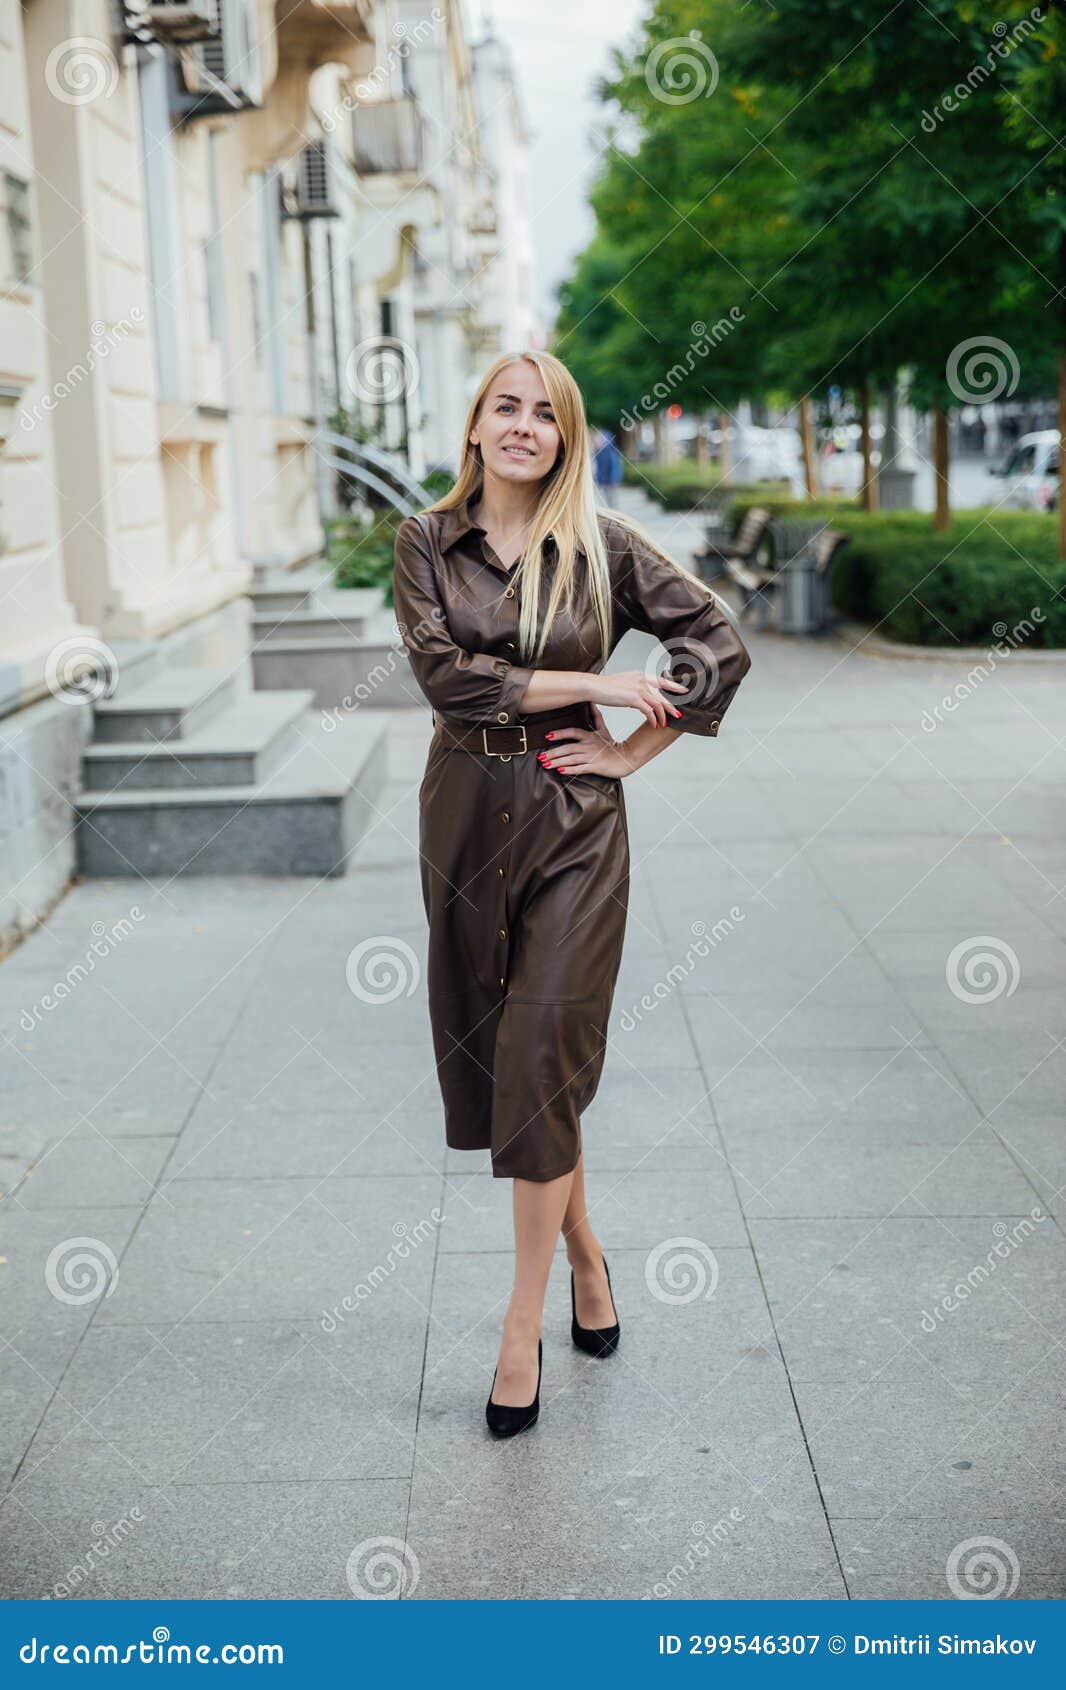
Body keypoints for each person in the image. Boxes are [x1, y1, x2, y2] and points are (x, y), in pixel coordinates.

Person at [392, 350, 752, 1439]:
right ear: (474, 425)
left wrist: (633, 752)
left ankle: (521, 1324)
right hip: (464, 813)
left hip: (572, 823)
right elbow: (448, 677)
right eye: (505, 406)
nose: (522, 425)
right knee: (512, 1061)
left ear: (565, 438)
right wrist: (600, 682)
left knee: (543, 1049)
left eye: (544, 414)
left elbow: (716, 644)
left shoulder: (602, 546)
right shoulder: (424, 542)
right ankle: (588, 1253)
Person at [593, 425, 624, 492]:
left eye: (600, 439)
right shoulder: (599, 453)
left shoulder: (610, 453)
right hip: (602, 482)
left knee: (609, 496)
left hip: (609, 483)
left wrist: (614, 481)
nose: (597, 441)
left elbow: (614, 468)